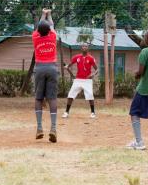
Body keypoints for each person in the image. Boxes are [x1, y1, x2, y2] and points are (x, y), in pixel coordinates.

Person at [32, 8, 58, 143]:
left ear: (38, 31)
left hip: (39, 68)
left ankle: (39, 128)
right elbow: (51, 25)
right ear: (49, 31)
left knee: (38, 99)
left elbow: (40, 26)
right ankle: (53, 128)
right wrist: (49, 15)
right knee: (52, 98)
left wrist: (43, 14)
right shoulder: (53, 36)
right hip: (52, 68)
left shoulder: (35, 37)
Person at [62, 43, 98, 119]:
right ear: (81, 48)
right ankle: (66, 112)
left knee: (90, 96)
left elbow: (97, 69)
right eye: (83, 46)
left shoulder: (91, 58)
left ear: (88, 48)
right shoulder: (76, 57)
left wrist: (93, 74)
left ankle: (92, 113)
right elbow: (69, 66)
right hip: (78, 80)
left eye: (86, 46)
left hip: (87, 80)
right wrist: (66, 67)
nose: (84, 47)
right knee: (70, 95)